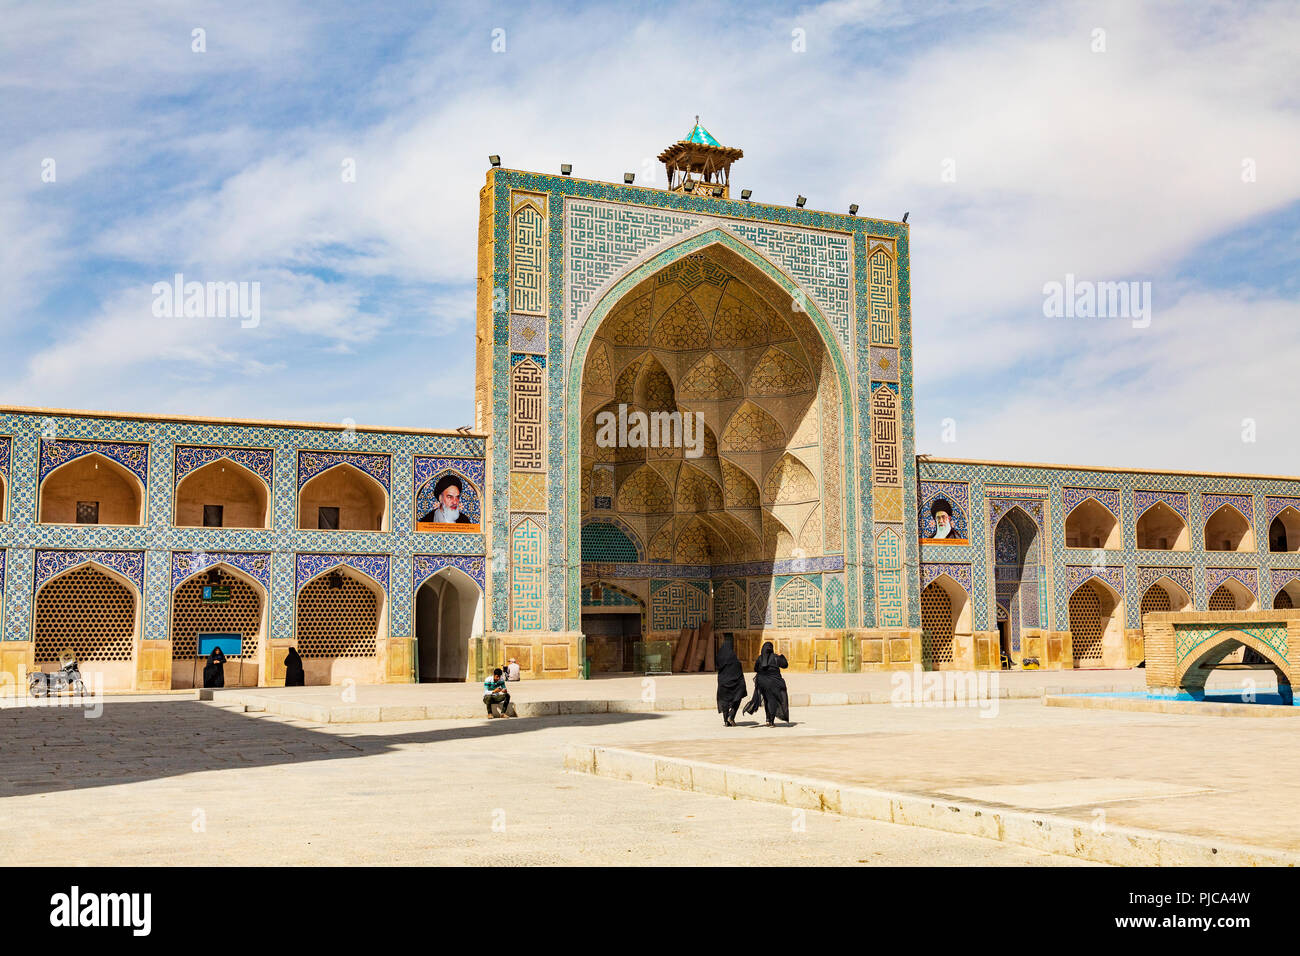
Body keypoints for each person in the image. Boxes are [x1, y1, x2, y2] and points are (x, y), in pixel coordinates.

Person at [743, 641, 790, 726]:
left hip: (762, 683)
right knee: (773, 700)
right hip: (774, 683)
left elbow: (755, 669)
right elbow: (785, 665)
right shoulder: (776, 658)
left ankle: (768, 719)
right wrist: (781, 656)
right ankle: (771, 721)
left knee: (766, 700)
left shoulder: (760, 658)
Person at [715, 639, 747, 727]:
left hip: (723, 683)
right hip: (735, 683)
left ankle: (726, 721)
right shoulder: (734, 658)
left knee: (724, 700)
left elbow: (718, 666)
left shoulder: (719, 658)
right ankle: (731, 715)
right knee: (738, 696)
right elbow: (739, 671)